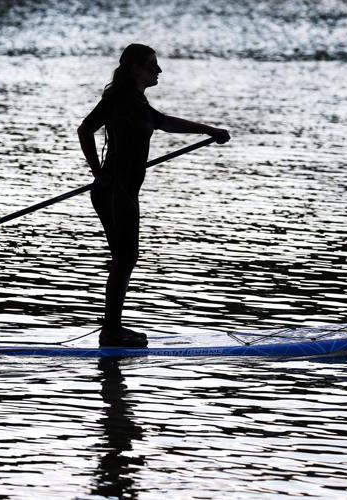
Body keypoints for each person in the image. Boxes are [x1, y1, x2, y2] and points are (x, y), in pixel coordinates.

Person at [78, 43, 230, 347]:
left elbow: (165, 123)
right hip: (116, 190)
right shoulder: (117, 99)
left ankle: (112, 329)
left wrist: (209, 130)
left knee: (124, 257)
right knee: (126, 257)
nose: (158, 70)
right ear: (135, 68)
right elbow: (85, 130)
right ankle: (111, 332)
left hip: (118, 189)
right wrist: (99, 173)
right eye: (152, 65)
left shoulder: (135, 101)